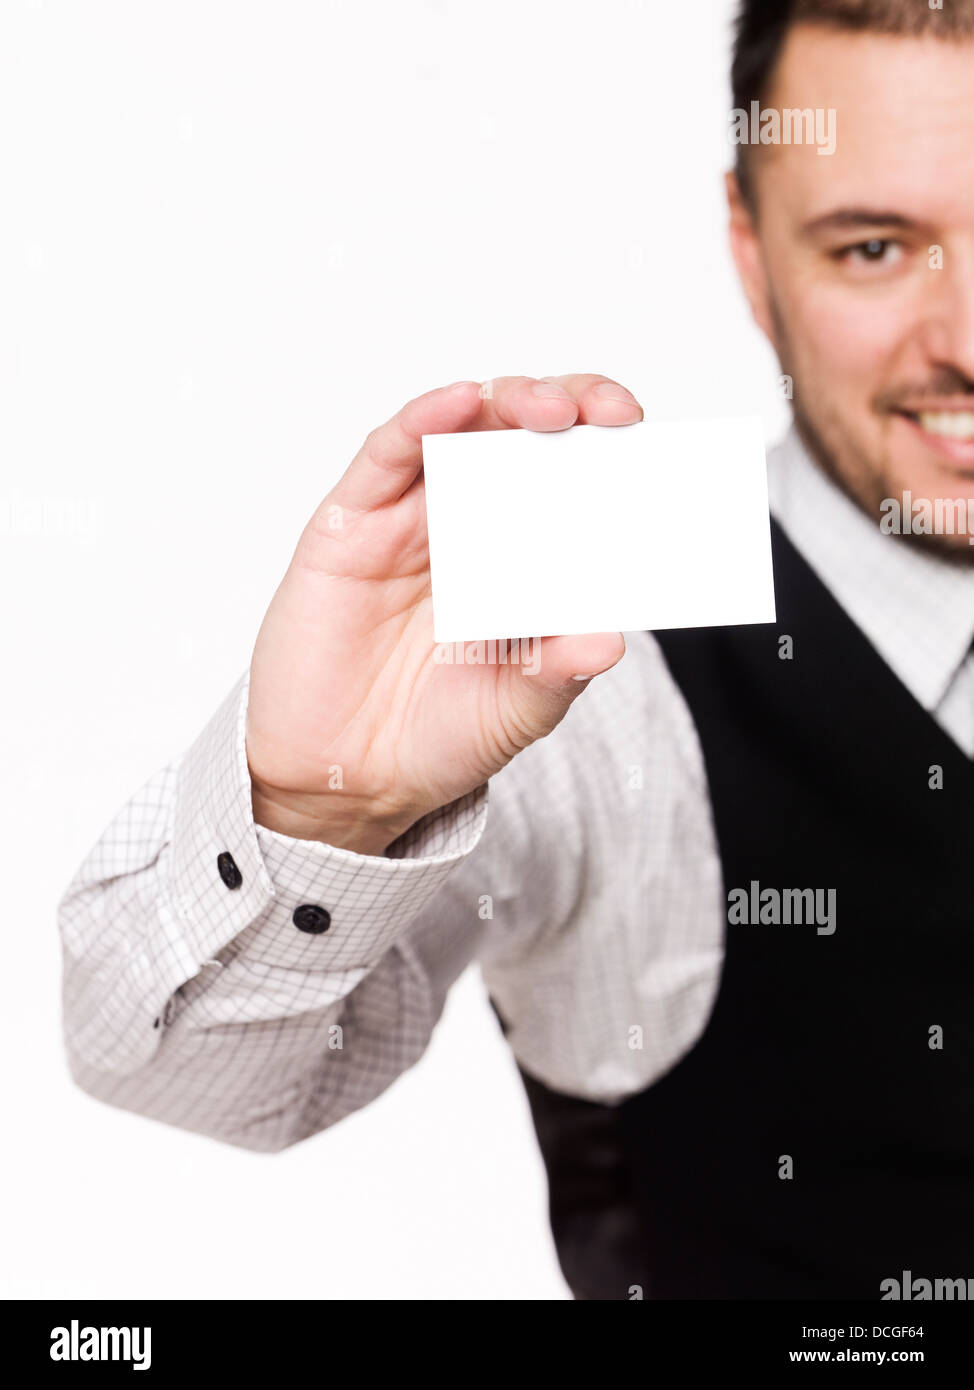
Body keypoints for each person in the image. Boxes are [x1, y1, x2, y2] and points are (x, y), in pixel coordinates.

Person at [58, 0, 974, 1300]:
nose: (966, 342)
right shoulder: (589, 658)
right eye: (875, 245)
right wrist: (324, 807)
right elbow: (171, 1067)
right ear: (750, 253)